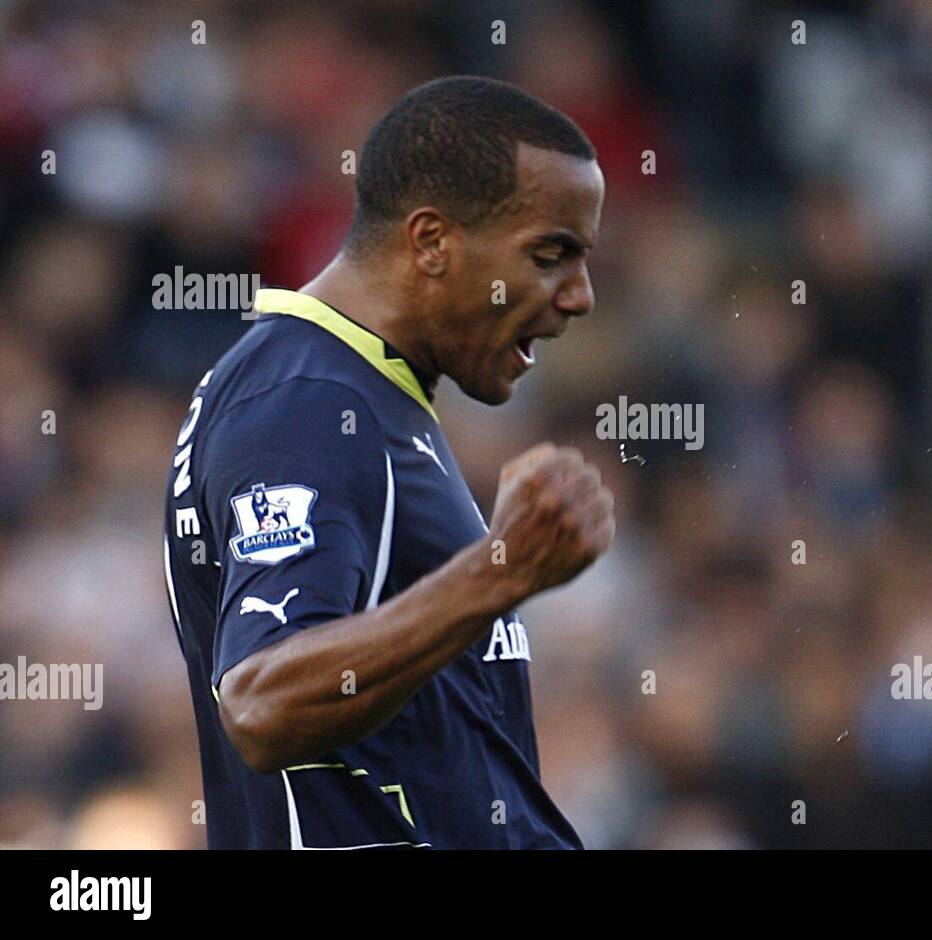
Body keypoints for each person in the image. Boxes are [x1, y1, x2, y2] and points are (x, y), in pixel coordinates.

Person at [162, 75, 613, 849]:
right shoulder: (308, 404)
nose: (579, 295)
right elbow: (262, 703)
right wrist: (502, 570)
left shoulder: (362, 391)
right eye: (550, 254)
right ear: (432, 241)